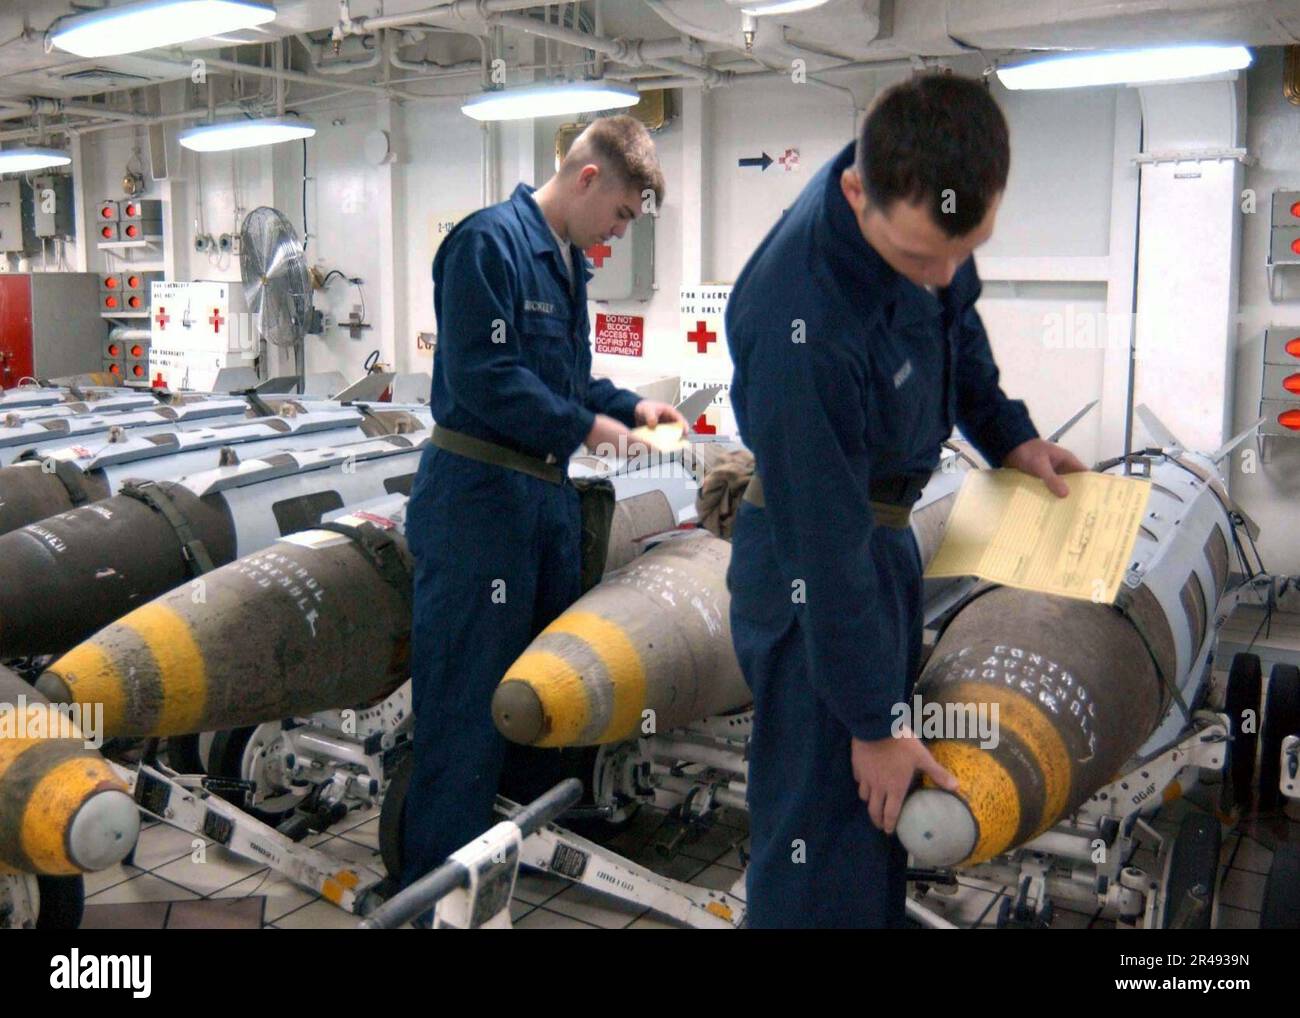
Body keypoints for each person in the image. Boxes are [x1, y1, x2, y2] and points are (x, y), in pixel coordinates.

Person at [725, 74, 1088, 928]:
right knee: (819, 831)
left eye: (967, 248)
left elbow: (956, 325)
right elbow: (829, 545)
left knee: (874, 827)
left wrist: (1011, 436)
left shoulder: (927, 215)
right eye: (924, 259)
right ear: (856, 193)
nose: (948, 273)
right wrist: (875, 721)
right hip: (810, 574)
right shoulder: (798, 320)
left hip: (878, 551)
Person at [401, 115, 683, 889]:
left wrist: (627, 409)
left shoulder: (565, 267)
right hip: (480, 501)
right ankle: (433, 894)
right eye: (622, 215)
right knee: (464, 707)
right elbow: (486, 376)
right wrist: (587, 425)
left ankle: (511, 865)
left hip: (545, 503)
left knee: (536, 699)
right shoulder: (485, 245)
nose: (620, 234)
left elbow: (570, 382)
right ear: (590, 178)